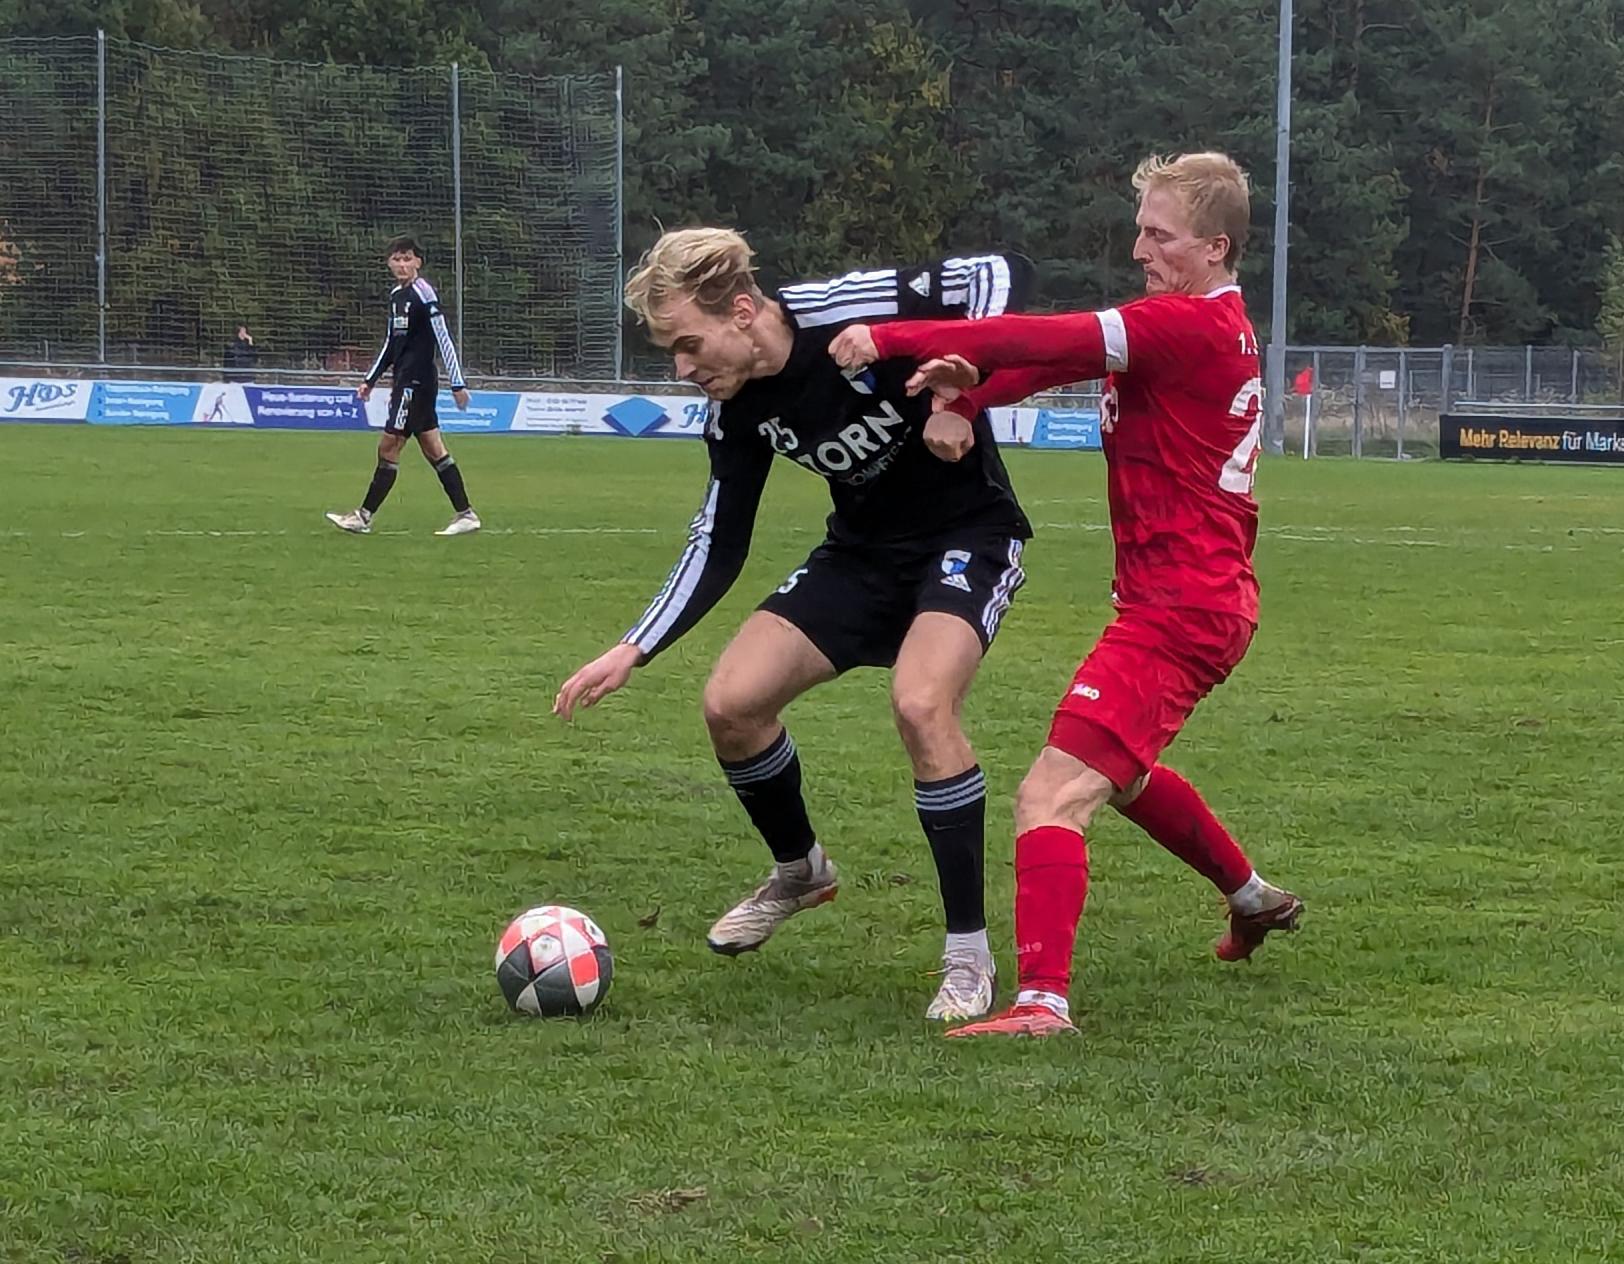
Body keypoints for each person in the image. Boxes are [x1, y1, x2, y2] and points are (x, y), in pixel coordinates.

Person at [830, 152, 1302, 1038]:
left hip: (1182, 610)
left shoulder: (1187, 325)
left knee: (1050, 796)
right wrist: (967, 399)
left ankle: (1042, 1005)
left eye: (1159, 235)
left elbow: (1039, 339)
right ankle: (1253, 897)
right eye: (1139, 231)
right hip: (1187, 601)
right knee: (1119, 773)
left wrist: (894, 340)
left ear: (1215, 247)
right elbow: (1043, 368)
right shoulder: (1192, 321)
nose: (1140, 249)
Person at [553, 228, 1036, 1020]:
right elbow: (719, 539)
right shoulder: (735, 409)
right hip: (860, 557)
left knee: (922, 704)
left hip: (967, 537)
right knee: (731, 704)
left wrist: (960, 395)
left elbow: (1000, 271)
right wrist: (635, 647)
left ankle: (967, 953)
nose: (682, 369)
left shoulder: (838, 309)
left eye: (687, 345)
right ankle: (801, 871)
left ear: (742, 312)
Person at [326, 235, 480, 537]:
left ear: (418, 262)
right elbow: (391, 343)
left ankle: (363, 516)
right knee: (433, 448)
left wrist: (457, 383)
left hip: (416, 384)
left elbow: (443, 337)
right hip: (404, 381)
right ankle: (466, 514)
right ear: (389, 263)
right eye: (396, 259)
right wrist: (370, 380)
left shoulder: (424, 294)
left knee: (389, 445)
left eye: (407, 258)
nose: (401, 264)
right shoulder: (396, 295)